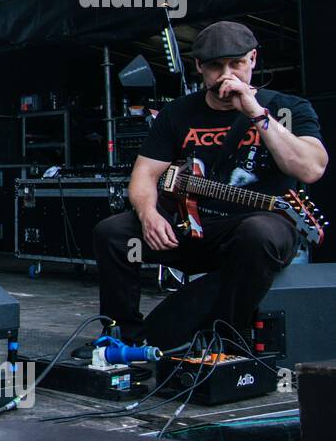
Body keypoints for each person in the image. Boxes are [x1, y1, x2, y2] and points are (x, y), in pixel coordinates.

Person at [93, 20, 327, 347]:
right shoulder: (177, 114)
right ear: (199, 66)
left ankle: (226, 341)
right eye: (216, 66)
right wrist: (149, 215)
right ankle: (124, 339)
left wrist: (257, 114)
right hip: (193, 228)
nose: (227, 74)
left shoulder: (286, 108)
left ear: (254, 59)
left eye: (237, 63)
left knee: (257, 234)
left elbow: (311, 169)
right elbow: (144, 175)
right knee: (113, 233)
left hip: (260, 229)